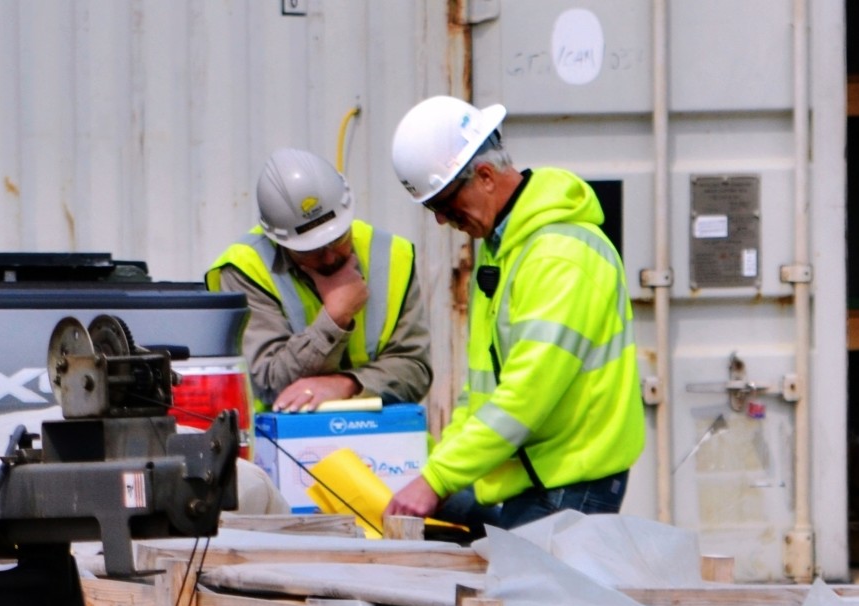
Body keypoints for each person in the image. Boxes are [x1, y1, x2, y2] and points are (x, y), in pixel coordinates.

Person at [384, 96, 645, 531]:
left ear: (485, 176)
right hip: (537, 472)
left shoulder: (557, 256)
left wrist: (438, 478)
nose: (443, 222)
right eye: (433, 210)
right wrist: (441, 472)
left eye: (446, 205)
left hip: (569, 479)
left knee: (531, 598)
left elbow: (526, 396)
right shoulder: (504, 249)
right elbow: (482, 391)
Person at [207, 148, 431, 412]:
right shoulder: (246, 270)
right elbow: (268, 381)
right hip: (285, 444)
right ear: (277, 239)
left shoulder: (391, 256)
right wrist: (335, 317)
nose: (328, 257)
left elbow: (415, 368)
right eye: (310, 249)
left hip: (384, 442)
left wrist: (347, 384)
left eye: (337, 239)